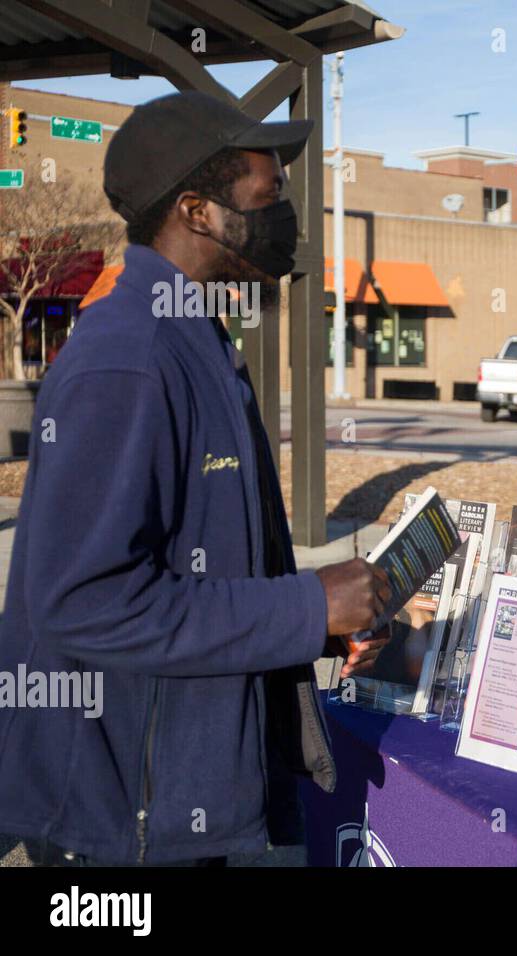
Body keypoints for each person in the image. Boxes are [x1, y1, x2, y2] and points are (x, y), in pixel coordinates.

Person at [0, 91, 391, 867]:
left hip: (188, 794)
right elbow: (84, 601)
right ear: (199, 211)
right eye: (269, 198)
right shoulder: (131, 357)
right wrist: (304, 604)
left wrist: (316, 624)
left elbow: (203, 565)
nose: (288, 222)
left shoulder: (197, 335)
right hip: (123, 826)